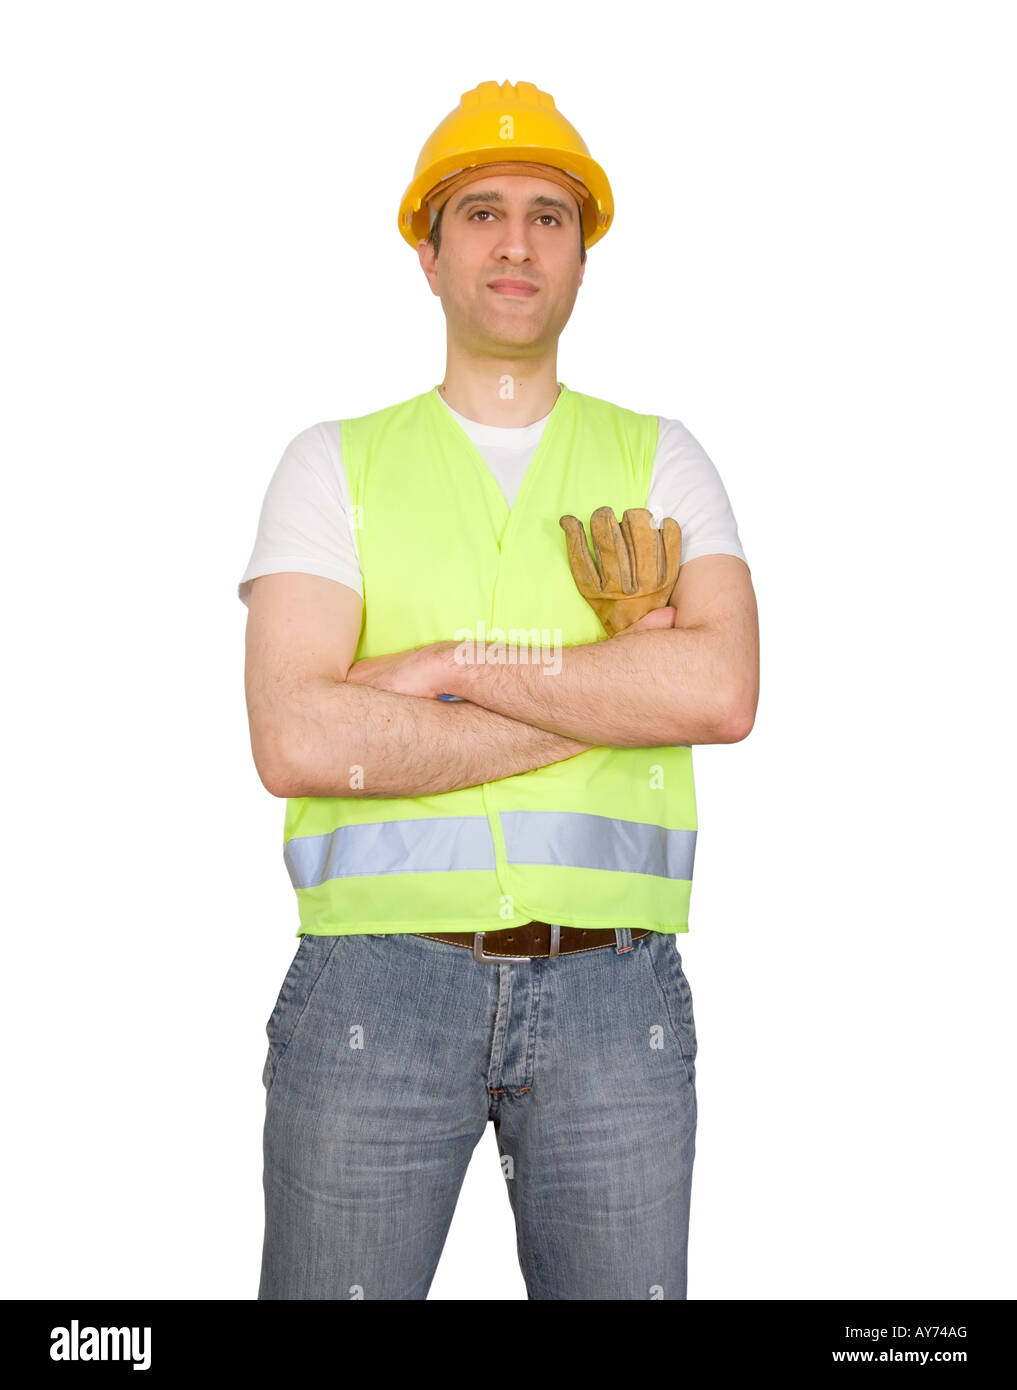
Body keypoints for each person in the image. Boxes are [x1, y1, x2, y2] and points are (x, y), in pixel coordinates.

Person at [239, 79, 759, 1301]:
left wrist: (453, 674)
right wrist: (621, 684)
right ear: (428, 254)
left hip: (614, 988)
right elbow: (295, 736)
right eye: (479, 212)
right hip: (373, 980)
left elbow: (723, 690)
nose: (516, 242)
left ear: (584, 258)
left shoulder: (662, 457)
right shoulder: (333, 465)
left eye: (548, 215)